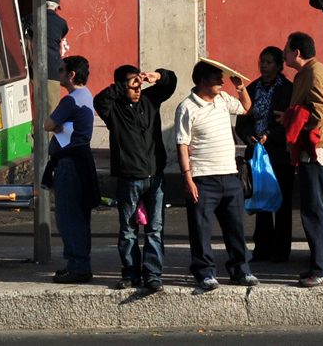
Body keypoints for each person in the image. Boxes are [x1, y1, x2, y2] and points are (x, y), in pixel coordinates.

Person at [93, 63, 176, 293]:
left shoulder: (150, 100)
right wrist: (123, 85)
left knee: (155, 229)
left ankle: (152, 274)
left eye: (139, 84)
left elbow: (171, 83)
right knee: (128, 230)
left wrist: (157, 76)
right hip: (128, 178)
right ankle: (130, 272)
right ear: (122, 86)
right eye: (132, 85)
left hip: (154, 177)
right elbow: (99, 100)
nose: (138, 89)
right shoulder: (113, 109)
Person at [175, 60, 256, 293]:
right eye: (217, 79)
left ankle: (241, 270)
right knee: (201, 230)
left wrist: (240, 87)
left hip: (230, 176)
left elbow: (246, 108)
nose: (222, 82)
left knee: (236, 227)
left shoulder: (223, 100)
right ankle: (205, 273)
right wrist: (187, 178)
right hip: (202, 178)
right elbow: (182, 145)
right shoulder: (186, 107)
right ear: (203, 81)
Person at [279, 32, 323, 288]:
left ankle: (322, 269)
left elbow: (318, 113)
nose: (284, 54)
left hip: (316, 149)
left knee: (315, 212)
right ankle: (321, 265)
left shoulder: (315, 73)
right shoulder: (310, 72)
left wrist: (296, 123)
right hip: (312, 148)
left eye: (286, 50)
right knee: (314, 210)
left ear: (297, 52)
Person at [234, 46, 294, 263]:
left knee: (282, 203)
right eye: (262, 62)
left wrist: (271, 135)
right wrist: (248, 135)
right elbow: (242, 120)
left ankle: (281, 250)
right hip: (257, 154)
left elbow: (291, 121)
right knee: (260, 201)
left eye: (269, 62)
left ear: (279, 66)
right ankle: (262, 248)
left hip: (280, 155)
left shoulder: (288, 90)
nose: (264, 66)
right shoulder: (252, 89)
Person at [42, 55, 97, 283]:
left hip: (69, 163)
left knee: (68, 217)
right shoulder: (87, 95)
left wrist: (57, 125)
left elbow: (47, 124)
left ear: (71, 74)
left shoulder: (70, 100)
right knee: (80, 217)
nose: (59, 74)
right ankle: (81, 263)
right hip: (82, 161)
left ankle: (77, 267)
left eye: (61, 70)